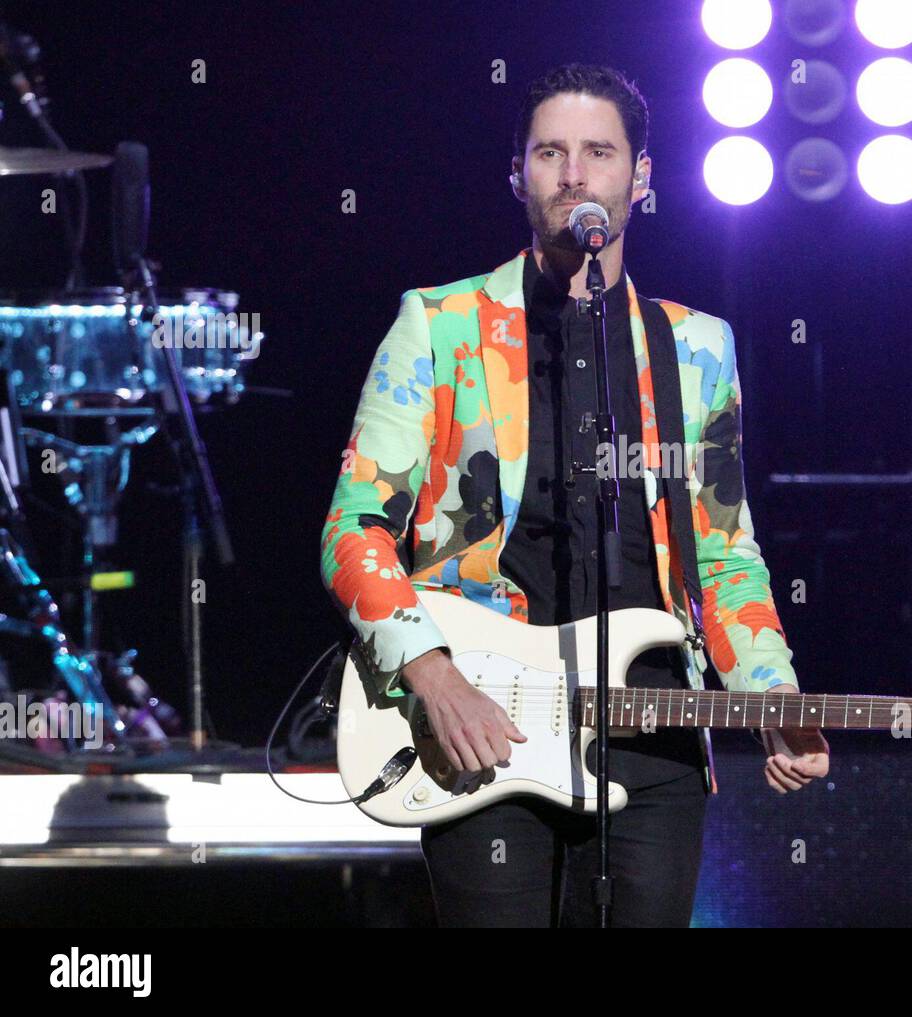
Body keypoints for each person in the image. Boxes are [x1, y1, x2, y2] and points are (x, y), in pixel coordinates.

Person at [321, 64, 829, 927]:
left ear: (641, 176)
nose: (574, 174)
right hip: (484, 720)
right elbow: (355, 528)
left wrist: (769, 695)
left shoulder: (695, 347)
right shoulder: (441, 324)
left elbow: (726, 551)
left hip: (656, 725)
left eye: (599, 152)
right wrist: (432, 676)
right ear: (518, 173)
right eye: (550, 152)